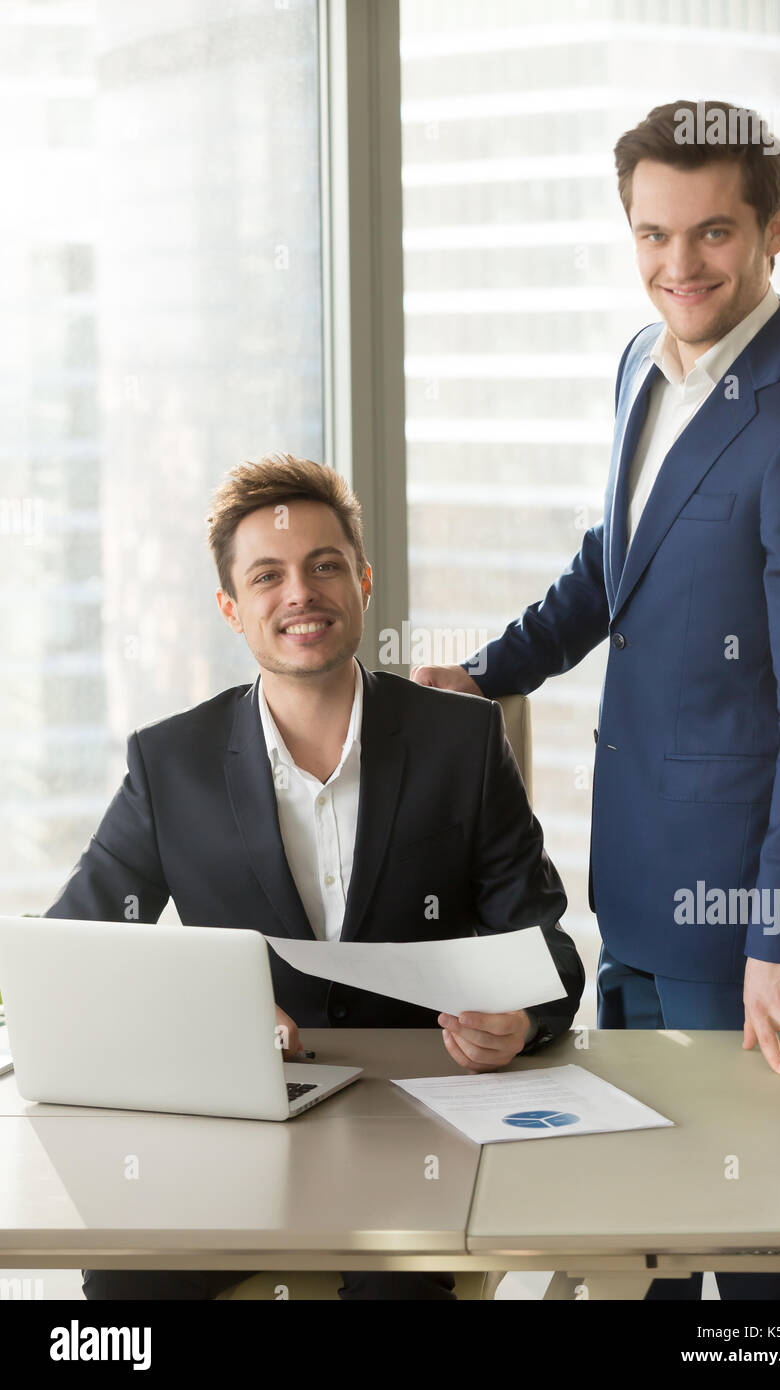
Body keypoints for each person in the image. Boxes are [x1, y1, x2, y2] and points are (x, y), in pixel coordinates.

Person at [411, 99, 780, 1301]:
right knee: (643, 1235)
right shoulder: (636, 362)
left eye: (711, 233)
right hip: (634, 884)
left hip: (743, 920)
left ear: (773, 231)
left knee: (764, 1259)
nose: (679, 266)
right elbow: (615, 556)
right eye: (652, 234)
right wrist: (491, 670)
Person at [43, 452, 584, 1300]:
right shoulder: (171, 764)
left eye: (325, 566)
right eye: (268, 576)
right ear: (232, 608)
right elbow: (72, 953)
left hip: (420, 1122)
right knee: (120, 1285)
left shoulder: (463, 743)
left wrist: (520, 1018)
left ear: (363, 582)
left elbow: (549, 953)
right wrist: (213, 1015)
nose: (301, 593)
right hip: (241, 1129)